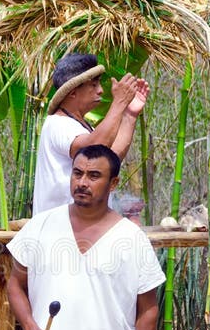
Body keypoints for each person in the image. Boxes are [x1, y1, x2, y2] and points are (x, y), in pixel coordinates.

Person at [7, 144, 165, 330]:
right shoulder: (40, 226)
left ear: (113, 183)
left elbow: (148, 310)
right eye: (77, 173)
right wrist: (31, 327)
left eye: (93, 176)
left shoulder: (132, 238)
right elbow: (15, 284)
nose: (82, 182)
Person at [32, 53, 149, 214]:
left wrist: (130, 114)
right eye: (93, 85)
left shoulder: (85, 128)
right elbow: (92, 152)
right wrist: (119, 102)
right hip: (60, 230)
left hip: (81, 231)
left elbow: (111, 155)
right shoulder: (57, 124)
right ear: (73, 92)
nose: (101, 91)